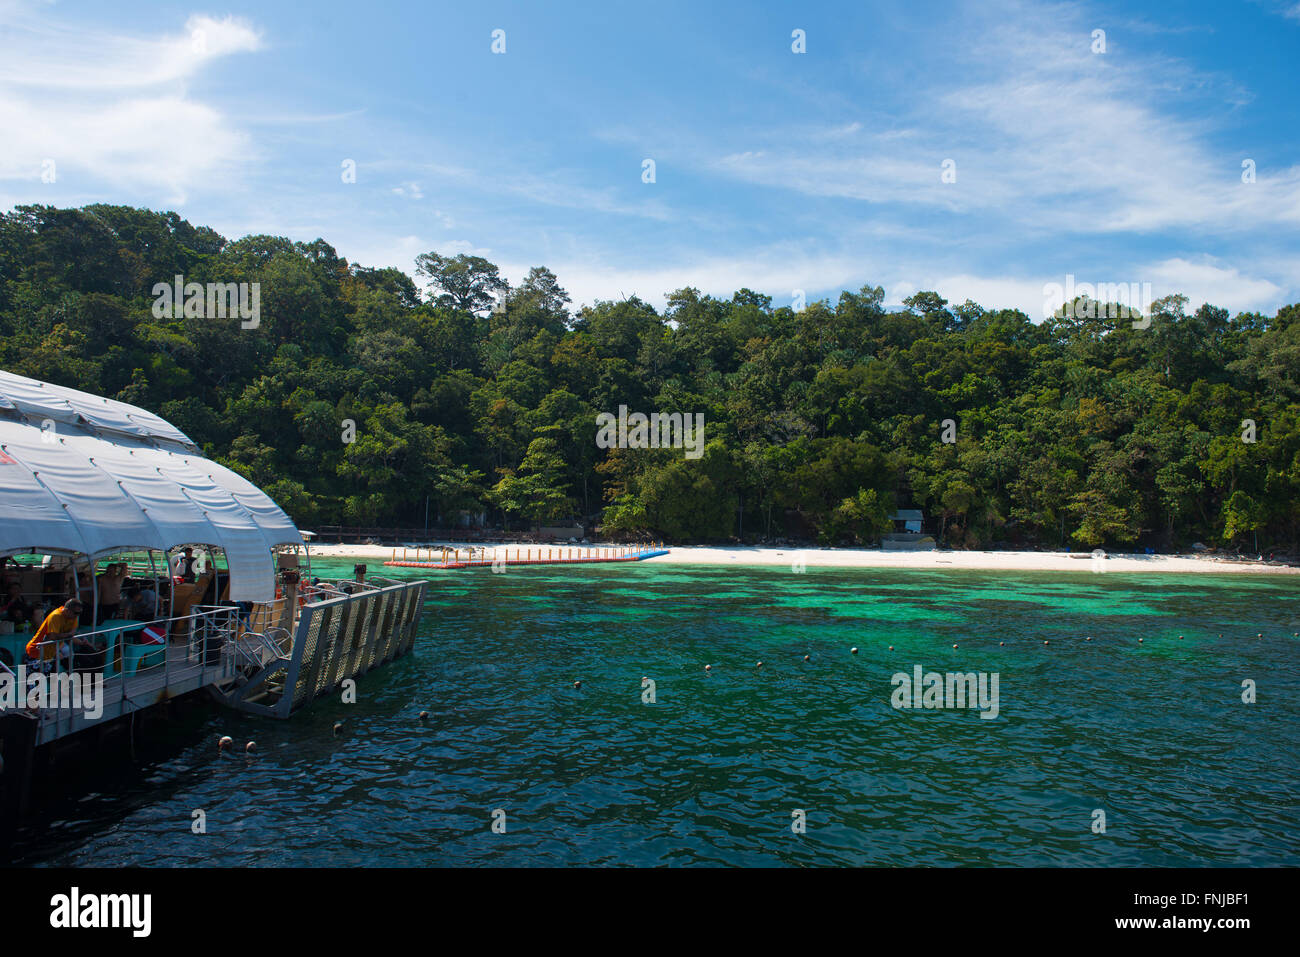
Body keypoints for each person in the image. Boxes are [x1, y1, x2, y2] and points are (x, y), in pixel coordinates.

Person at [25, 599, 99, 670]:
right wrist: (56, 652)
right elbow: (50, 637)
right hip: (41, 654)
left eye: (42, 616)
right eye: (39, 616)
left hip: (57, 650)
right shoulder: (54, 618)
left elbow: (70, 635)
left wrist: (82, 643)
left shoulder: (72, 618)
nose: (42, 619)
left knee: (80, 657)